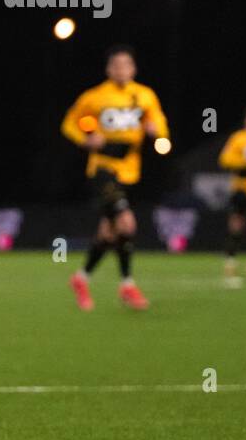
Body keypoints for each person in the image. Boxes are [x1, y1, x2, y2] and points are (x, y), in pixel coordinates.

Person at [61, 45, 170, 311]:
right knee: (126, 224)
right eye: (116, 65)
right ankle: (127, 285)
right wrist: (86, 139)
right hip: (103, 170)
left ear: (133, 69)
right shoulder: (95, 97)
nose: (121, 69)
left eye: (126, 65)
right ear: (109, 69)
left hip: (130, 172)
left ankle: (80, 278)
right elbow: (70, 123)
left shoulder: (145, 96)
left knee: (108, 233)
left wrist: (158, 133)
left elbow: (160, 127)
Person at [218, 104, 246, 280]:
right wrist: (244, 164)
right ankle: (230, 260)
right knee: (236, 226)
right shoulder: (238, 138)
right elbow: (225, 159)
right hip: (241, 189)